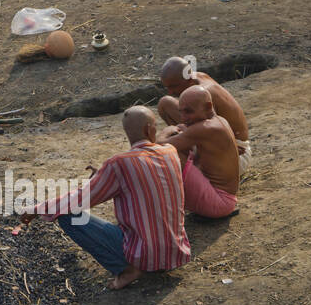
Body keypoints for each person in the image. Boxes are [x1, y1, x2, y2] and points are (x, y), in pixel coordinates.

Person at [21, 106, 191, 290]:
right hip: (175, 254)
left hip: (143, 256)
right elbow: (151, 153)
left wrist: (38, 208)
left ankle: (126, 269)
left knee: (66, 215)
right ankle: (141, 261)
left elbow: (80, 198)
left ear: (127, 132)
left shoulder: (119, 164)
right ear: (150, 129)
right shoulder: (171, 153)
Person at [157, 56, 251, 175]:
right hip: (225, 146)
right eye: (167, 87)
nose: (170, 92)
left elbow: (218, 135)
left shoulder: (203, 94)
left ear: (189, 80)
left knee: (176, 156)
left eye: (173, 86)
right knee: (165, 104)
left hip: (236, 157)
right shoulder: (196, 77)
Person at [157, 86, 241, 220]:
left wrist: (167, 130)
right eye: (181, 112)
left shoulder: (205, 128)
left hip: (220, 202)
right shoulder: (219, 120)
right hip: (224, 198)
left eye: (188, 112)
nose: (183, 118)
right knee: (179, 147)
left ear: (208, 107)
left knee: (169, 154)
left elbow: (159, 146)